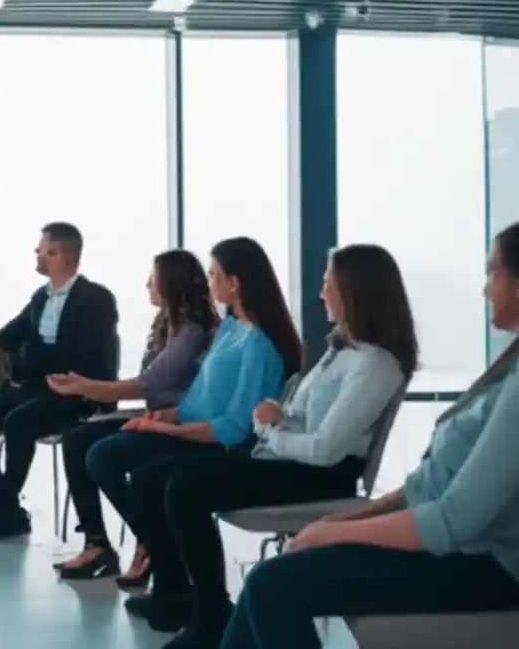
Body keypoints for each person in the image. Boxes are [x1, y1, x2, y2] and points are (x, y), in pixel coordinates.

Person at [222, 223, 519, 649]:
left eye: (494, 274)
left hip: (483, 564)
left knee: (275, 585)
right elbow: (425, 486)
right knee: (270, 582)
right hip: (460, 548)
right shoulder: (506, 372)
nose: (486, 290)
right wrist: (344, 520)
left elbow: (453, 520)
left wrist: (332, 533)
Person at [127, 245, 417, 648]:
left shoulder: (376, 365)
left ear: (354, 292)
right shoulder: (342, 353)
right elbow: (301, 417)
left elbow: (327, 449)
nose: (322, 294)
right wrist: (277, 415)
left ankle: (211, 614)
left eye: (328, 286)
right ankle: (181, 596)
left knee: (183, 487)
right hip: (289, 457)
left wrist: (269, 431)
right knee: (149, 480)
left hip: (317, 474)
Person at [85, 237, 302, 592]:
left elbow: (234, 427)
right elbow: (199, 396)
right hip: (191, 427)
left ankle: (172, 575)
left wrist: (166, 431)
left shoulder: (258, 345)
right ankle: (168, 574)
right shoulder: (231, 329)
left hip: (214, 443)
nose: (209, 281)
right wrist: (167, 417)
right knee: (107, 457)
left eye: (214, 274)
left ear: (235, 283)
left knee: (119, 463)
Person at [46, 249, 218, 580]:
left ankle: (153, 540)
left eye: (153, 277)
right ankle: (99, 542)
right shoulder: (167, 325)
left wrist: (84, 386)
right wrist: (85, 387)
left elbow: (144, 385)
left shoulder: (192, 333)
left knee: (97, 451)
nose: (147, 283)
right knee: (77, 438)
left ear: (169, 283)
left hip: (177, 421)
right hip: (156, 414)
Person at [0, 223, 119, 541]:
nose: (39, 257)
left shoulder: (96, 299)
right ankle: (5, 503)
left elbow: (88, 356)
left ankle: (4, 509)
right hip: (36, 389)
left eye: (48, 252)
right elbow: (17, 329)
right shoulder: (41, 297)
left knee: (18, 421)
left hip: (75, 392)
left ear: (67, 257)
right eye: (39, 251)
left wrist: (36, 359)